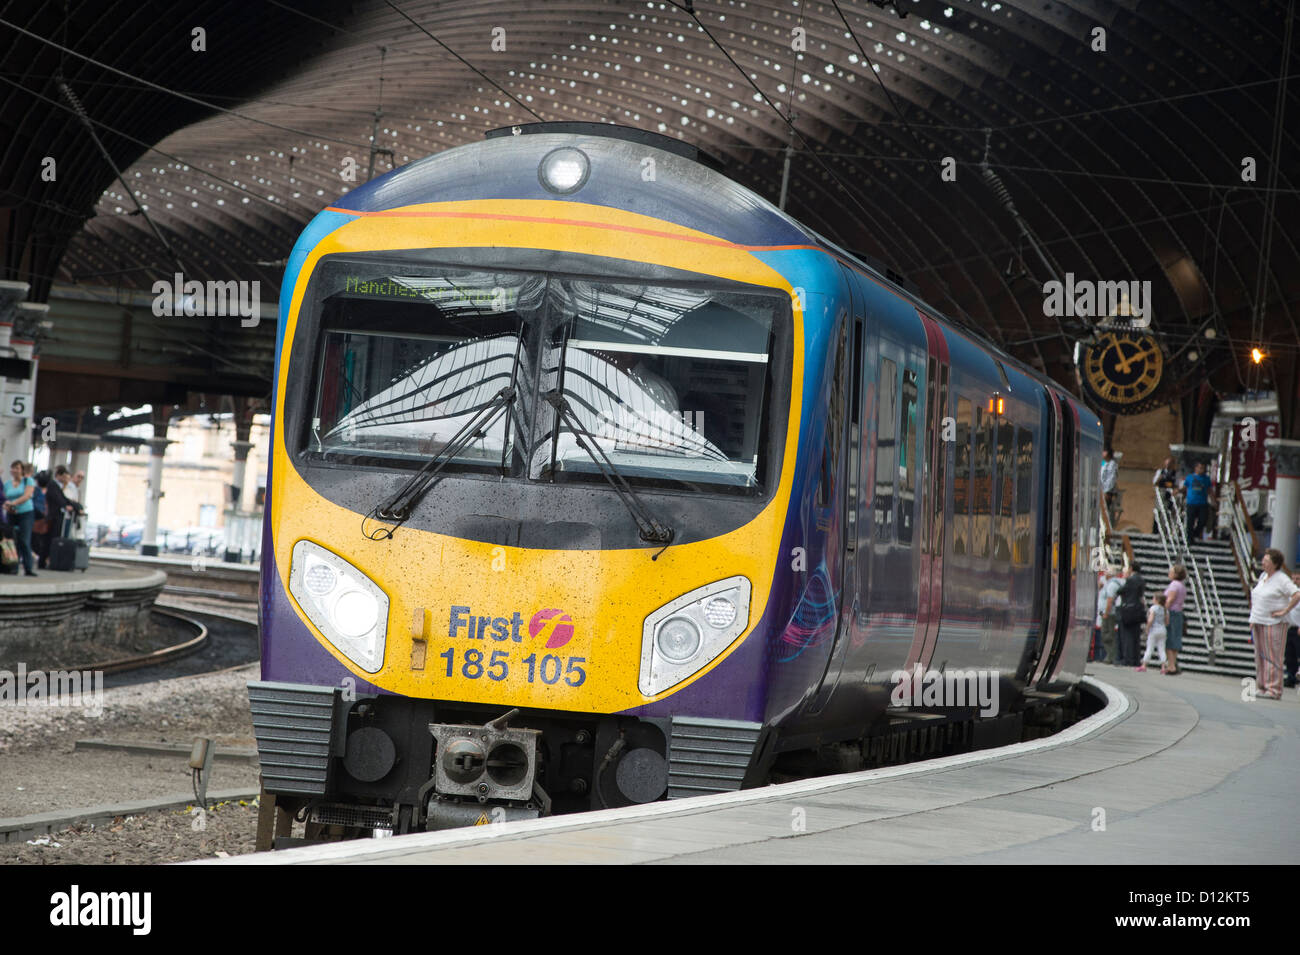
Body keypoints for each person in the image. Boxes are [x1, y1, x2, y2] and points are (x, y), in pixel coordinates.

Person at [1247, 548, 1300, 700]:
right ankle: (1262, 686)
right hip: (1259, 620)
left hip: (1274, 622)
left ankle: (1274, 689)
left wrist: (1284, 611)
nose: (1263, 561)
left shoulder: (1281, 579)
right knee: (1260, 655)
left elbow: (1296, 594)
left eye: (1267, 560)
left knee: (1272, 656)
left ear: (1275, 564)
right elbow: (1257, 599)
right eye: (1264, 559)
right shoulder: (1263, 576)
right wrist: (1252, 618)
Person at [37, 470, 80, 569]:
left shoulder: (55, 486)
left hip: (55, 517)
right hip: (53, 518)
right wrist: (66, 506)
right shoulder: (53, 485)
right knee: (50, 540)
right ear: (58, 476)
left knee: (51, 540)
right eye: (64, 477)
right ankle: (44, 562)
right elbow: (58, 499)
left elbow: (62, 498)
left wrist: (74, 505)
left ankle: (46, 562)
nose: (65, 479)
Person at [2, 460, 37, 576]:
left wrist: (14, 503)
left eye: (17, 468)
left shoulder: (28, 481)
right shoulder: (7, 484)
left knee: (24, 539)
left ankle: (28, 567)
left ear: (22, 470)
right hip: (11, 514)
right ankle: (13, 566)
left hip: (26, 513)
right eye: (13, 468)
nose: (14, 470)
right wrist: (8, 506)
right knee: (12, 540)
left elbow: (27, 495)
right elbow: (4, 498)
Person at [1116, 561, 1147, 666]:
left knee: (1127, 636)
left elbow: (1121, 590)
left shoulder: (1130, 580)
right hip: (1137, 610)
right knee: (1136, 636)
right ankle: (1136, 659)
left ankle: (1127, 659)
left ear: (1131, 568)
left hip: (1129, 609)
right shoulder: (1141, 580)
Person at [1181, 461, 1215, 542]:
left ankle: (1195, 533)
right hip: (1191, 502)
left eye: (1203, 468)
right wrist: (1178, 492)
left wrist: (1213, 501)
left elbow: (1209, 490)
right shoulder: (1189, 477)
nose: (1202, 470)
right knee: (1190, 521)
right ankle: (1189, 538)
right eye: (1200, 468)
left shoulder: (1206, 479)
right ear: (1196, 468)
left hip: (1202, 503)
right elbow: (1184, 488)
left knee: (1202, 520)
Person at [1163, 564, 1187, 675]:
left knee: (1169, 639)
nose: (1169, 573)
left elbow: (1170, 599)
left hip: (1171, 613)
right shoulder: (1182, 586)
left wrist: (1163, 610)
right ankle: (1172, 663)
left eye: (1171, 571)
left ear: (1176, 574)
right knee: (1176, 638)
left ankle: (1171, 665)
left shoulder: (1173, 585)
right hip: (1179, 613)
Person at [1137, 592, 1168, 672]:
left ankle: (1144, 665)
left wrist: (1147, 628)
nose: (1152, 600)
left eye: (1153, 598)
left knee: (1150, 648)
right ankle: (1163, 667)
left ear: (1157, 600)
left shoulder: (1153, 608)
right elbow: (1167, 622)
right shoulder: (1165, 610)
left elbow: (1150, 620)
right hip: (1163, 630)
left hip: (1154, 629)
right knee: (1161, 649)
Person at [1097, 567, 1122, 664]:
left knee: (1107, 634)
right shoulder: (1106, 583)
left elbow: (1110, 600)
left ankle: (1111, 656)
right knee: (1106, 634)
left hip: (1109, 613)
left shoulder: (1112, 585)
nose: (1104, 574)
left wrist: (1106, 613)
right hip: (1105, 612)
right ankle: (1110, 655)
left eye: (1106, 572)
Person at [1151, 457, 1177, 533]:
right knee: (1158, 511)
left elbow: (1177, 484)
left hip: (1170, 494)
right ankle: (1155, 531)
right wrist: (1160, 478)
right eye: (1167, 463)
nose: (1168, 465)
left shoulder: (1175, 473)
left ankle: (1165, 531)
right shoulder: (1160, 472)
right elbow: (1154, 483)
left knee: (1167, 512)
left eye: (1170, 463)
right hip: (1161, 493)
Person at [1285, 569, 1300, 689]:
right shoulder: (1290, 594)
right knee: (1289, 655)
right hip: (1289, 628)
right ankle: (1291, 677)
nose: (1294, 581)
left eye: (1297, 579)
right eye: (1293, 579)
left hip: (1298, 629)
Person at [1100, 449, 1119, 525]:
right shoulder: (1103, 463)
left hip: (1107, 492)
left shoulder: (1112, 465)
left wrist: (1105, 491)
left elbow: (1111, 480)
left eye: (1104, 451)